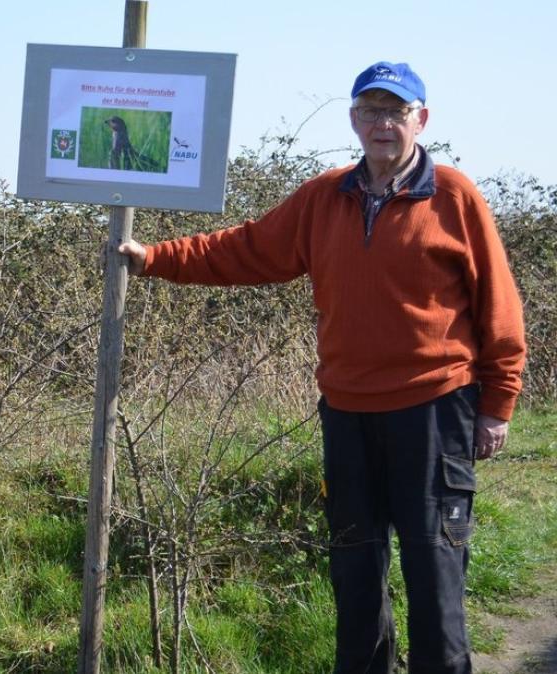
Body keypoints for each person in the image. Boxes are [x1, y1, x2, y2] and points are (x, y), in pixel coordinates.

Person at [119, 62, 525, 674]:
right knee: (355, 573)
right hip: (348, 413)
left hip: (435, 411)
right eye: (370, 111)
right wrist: (155, 257)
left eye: (396, 111)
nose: (382, 124)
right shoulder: (325, 195)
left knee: (434, 574)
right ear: (353, 119)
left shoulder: (454, 196)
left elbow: (500, 307)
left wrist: (497, 406)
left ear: (422, 119)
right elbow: (248, 248)